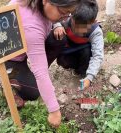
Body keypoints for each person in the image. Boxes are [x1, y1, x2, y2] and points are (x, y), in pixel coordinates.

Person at [7, 0, 81, 128]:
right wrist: (54, 111)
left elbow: (56, 16)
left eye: (69, 13)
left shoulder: (43, 7)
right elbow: (40, 73)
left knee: (59, 38)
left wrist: (57, 24)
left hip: (26, 45)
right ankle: (6, 81)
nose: (66, 18)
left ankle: (36, 69)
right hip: (10, 58)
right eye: (63, 13)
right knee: (33, 92)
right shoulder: (31, 27)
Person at [50, 0, 104, 89]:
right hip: (70, 49)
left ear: (93, 22)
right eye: (76, 26)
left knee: (86, 52)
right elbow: (52, 17)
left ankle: (83, 73)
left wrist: (90, 77)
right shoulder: (66, 20)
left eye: (83, 27)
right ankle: (74, 67)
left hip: (84, 51)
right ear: (71, 16)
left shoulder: (96, 32)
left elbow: (97, 56)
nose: (78, 30)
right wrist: (57, 25)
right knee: (62, 60)